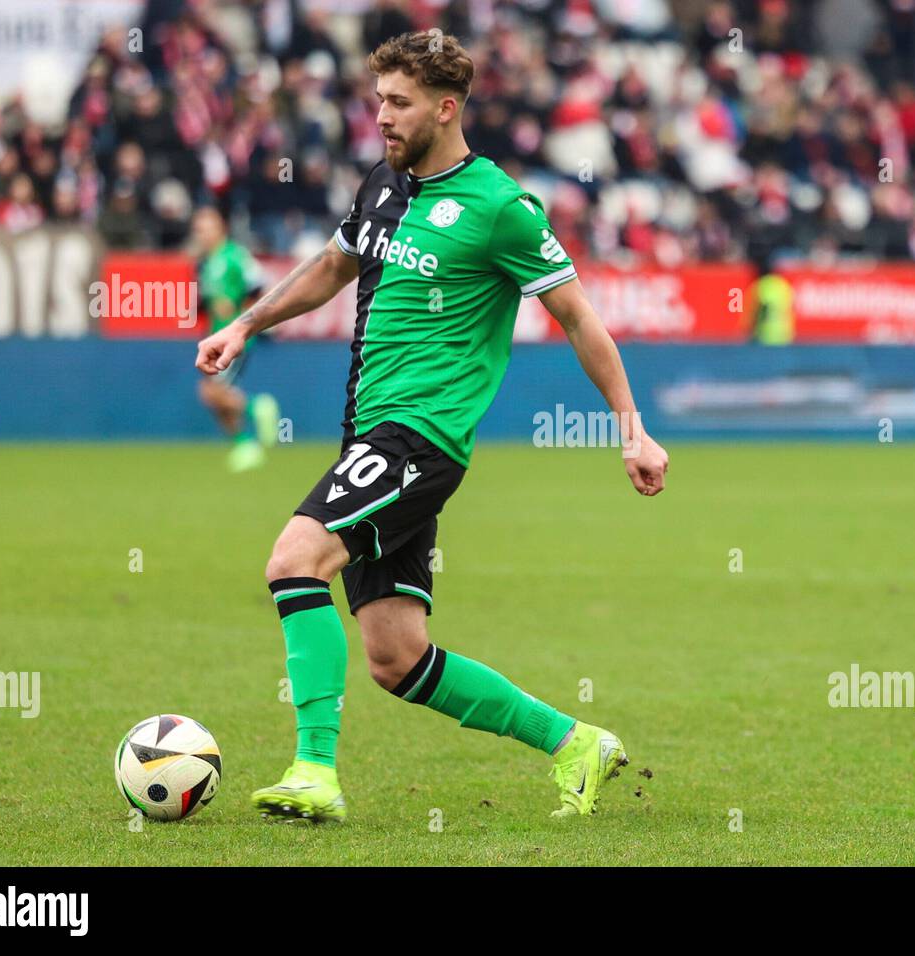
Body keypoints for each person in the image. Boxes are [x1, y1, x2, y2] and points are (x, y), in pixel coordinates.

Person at [194, 32, 669, 821]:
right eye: (378, 99)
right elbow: (332, 267)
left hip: (420, 437)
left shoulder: (501, 207)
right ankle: (577, 744)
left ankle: (315, 771)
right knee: (396, 655)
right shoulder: (381, 184)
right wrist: (246, 324)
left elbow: (579, 317)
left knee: (295, 561)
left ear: (446, 109)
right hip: (370, 435)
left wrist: (632, 429)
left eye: (399, 102)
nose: (381, 115)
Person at [191, 205, 279, 472]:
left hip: (234, 337)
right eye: (199, 230)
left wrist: (244, 316)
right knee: (213, 394)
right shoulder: (206, 263)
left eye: (208, 228)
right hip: (215, 336)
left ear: (222, 228)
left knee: (210, 393)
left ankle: (256, 408)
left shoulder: (235, 256)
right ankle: (244, 445)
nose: (203, 235)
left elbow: (259, 286)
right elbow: (209, 303)